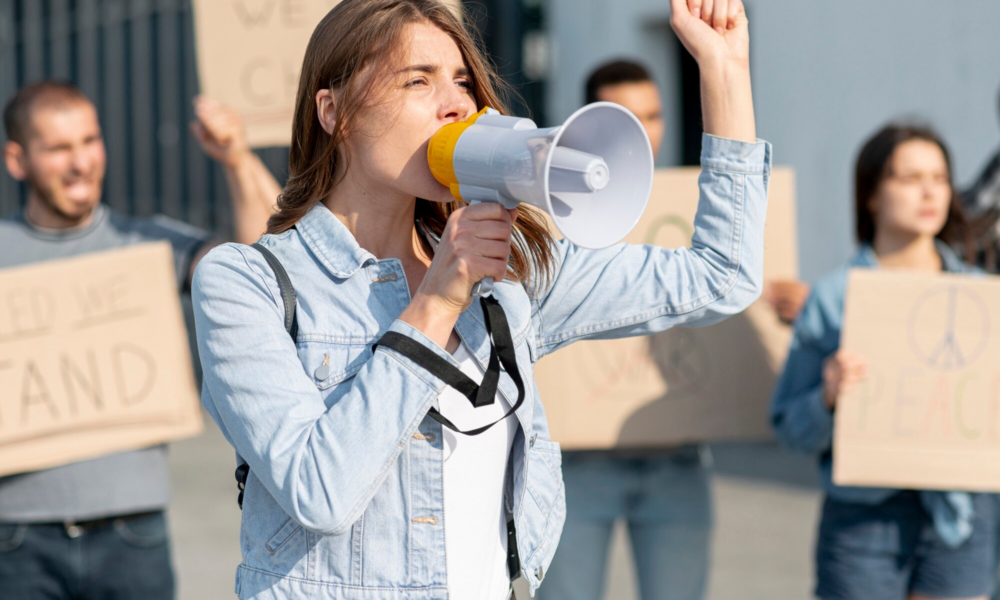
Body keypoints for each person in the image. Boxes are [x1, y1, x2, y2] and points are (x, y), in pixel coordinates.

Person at [191, 0, 768, 598]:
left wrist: (724, 72)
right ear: (333, 111)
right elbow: (320, 491)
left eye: (463, 81)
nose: (457, 103)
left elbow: (722, 275)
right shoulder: (246, 284)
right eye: (418, 79)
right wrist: (438, 299)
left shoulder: (507, 272)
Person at [0, 81, 279, 600]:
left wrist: (237, 159)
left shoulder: (150, 243)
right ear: (17, 159)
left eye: (89, 141)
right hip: (15, 537)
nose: (81, 162)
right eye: (59, 148)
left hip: (132, 533)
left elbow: (259, 264)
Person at [771, 123, 997, 600]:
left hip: (962, 517)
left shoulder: (981, 296)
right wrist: (828, 397)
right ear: (872, 193)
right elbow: (789, 427)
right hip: (863, 522)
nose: (929, 190)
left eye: (939, 177)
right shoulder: (834, 298)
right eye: (910, 177)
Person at [537, 59, 712, 600]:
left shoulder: (697, 214)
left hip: (678, 459)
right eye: (628, 115)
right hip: (579, 463)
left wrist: (773, 307)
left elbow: (722, 286)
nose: (646, 129)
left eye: (655, 114)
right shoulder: (545, 215)